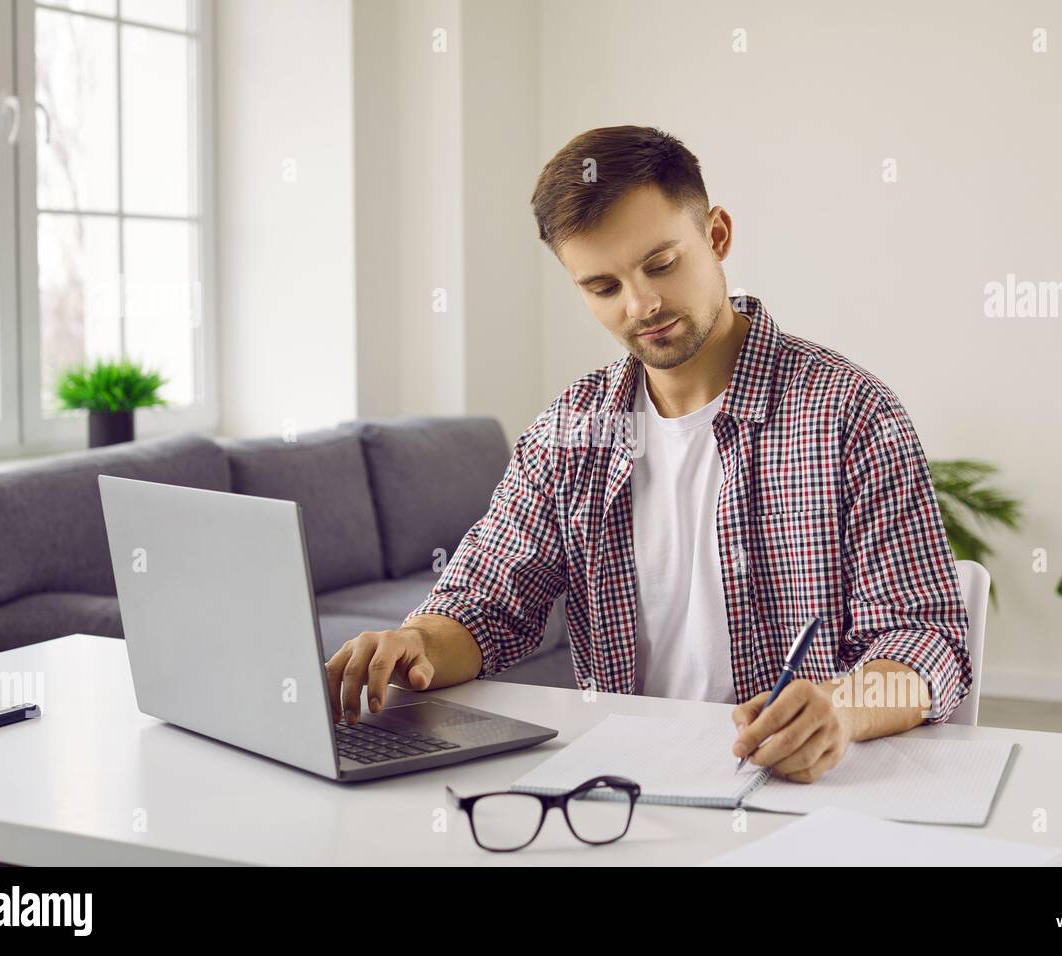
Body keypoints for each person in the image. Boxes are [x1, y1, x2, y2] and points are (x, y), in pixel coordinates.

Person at [326, 125, 972, 784]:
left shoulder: (850, 413)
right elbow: (486, 606)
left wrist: (838, 709)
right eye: (603, 287)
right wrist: (416, 643)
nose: (642, 305)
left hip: (802, 790)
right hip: (628, 788)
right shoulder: (569, 432)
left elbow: (927, 643)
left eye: (661, 264)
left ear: (716, 236)